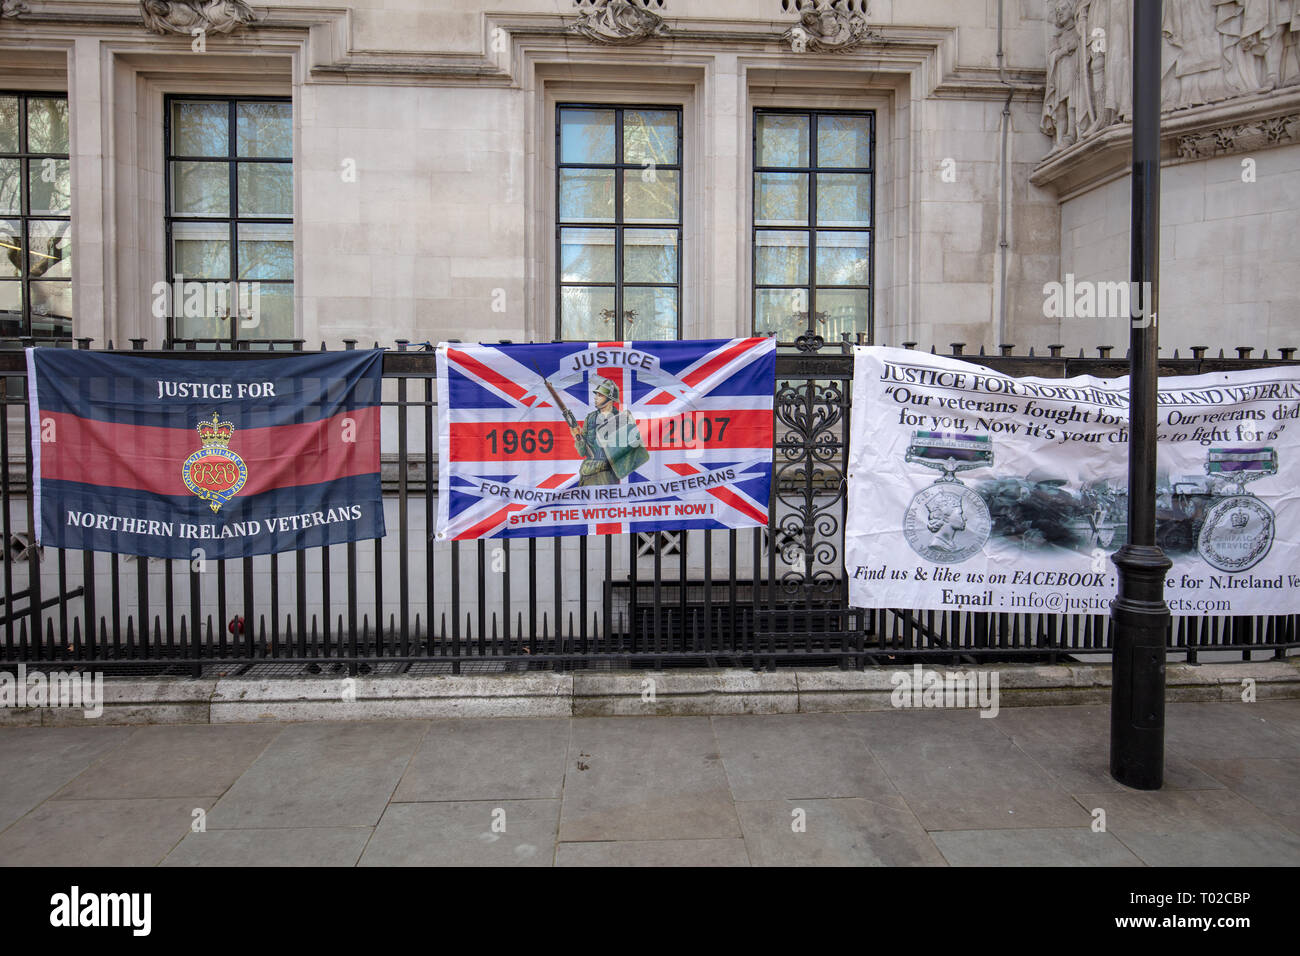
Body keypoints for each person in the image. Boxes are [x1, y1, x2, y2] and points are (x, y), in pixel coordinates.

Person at [570, 378, 649, 486]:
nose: (595, 398)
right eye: (596, 395)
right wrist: (577, 437)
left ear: (610, 399)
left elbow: (630, 450)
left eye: (600, 395)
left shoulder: (622, 419)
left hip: (607, 474)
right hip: (587, 472)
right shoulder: (590, 418)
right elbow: (582, 452)